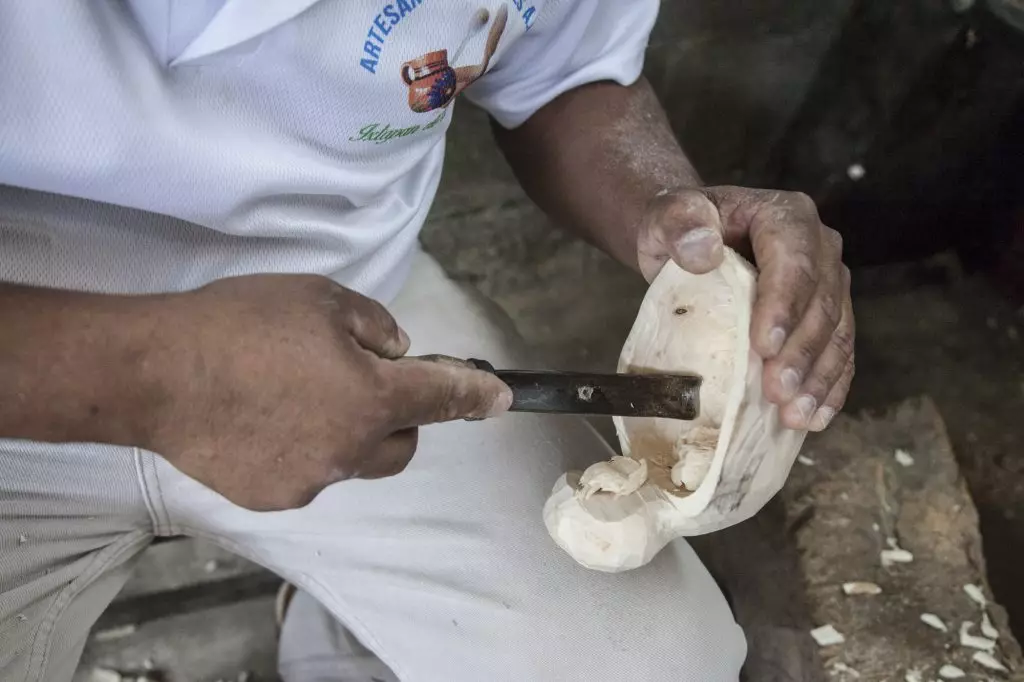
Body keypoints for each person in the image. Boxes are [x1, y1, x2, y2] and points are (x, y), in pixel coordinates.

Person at [0, 1, 854, 680]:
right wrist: (155, 377)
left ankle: (346, 636)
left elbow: (559, 67)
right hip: (26, 351)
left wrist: (671, 212)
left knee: (657, 667)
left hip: (361, 315)